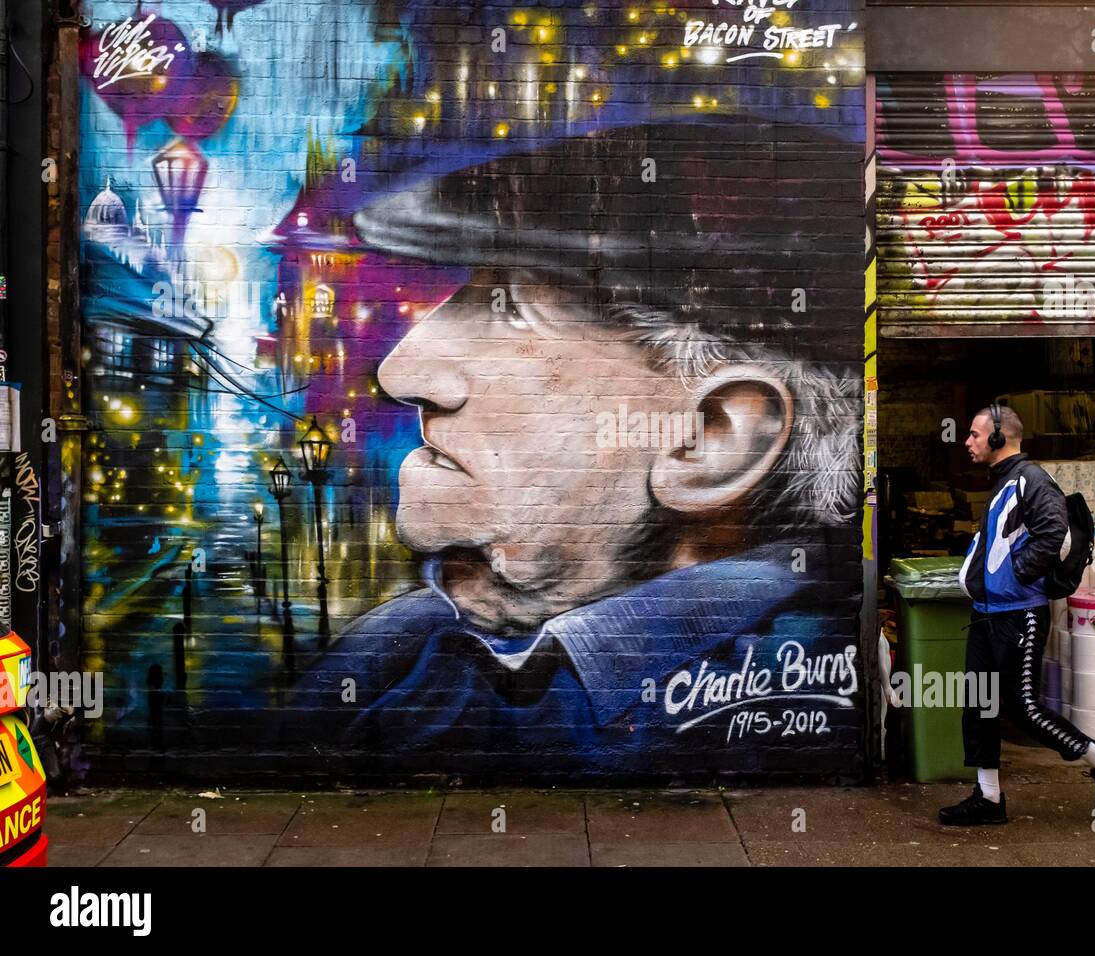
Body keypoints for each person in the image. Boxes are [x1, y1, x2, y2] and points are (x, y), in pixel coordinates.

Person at [283, 117, 868, 776]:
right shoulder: (420, 640)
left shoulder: (722, 726)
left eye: (507, 311)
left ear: (712, 440)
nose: (401, 370)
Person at [938, 403, 1095, 825]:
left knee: (1025, 709)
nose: (967, 442)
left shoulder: (1031, 479)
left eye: (974, 434)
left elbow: (1054, 533)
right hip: (986, 615)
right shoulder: (1002, 481)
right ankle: (988, 799)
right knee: (979, 704)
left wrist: (1017, 575)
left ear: (997, 438)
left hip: (1018, 615)